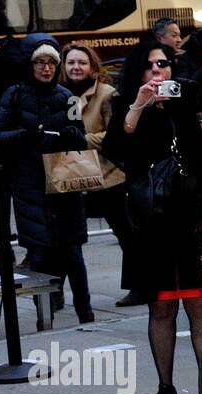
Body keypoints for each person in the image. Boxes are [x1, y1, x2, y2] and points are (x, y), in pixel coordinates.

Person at [100, 39, 202, 394]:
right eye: (152, 65)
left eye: (165, 64)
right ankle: (165, 388)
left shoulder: (187, 97)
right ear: (139, 71)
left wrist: (201, 105)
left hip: (191, 216)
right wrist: (139, 105)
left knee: (201, 305)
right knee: (162, 306)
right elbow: (115, 148)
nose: (159, 72)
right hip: (152, 221)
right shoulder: (126, 104)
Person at [0, 42, 93, 323]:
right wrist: (24, 136)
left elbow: (82, 138)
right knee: (39, 253)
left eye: (51, 62)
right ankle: (43, 316)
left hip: (64, 182)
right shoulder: (15, 94)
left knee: (73, 252)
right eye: (40, 62)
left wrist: (72, 133)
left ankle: (86, 313)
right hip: (29, 183)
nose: (46, 68)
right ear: (30, 65)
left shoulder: (66, 95)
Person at [62, 42, 141, 308]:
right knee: (66, 236)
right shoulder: (59, 94)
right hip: (71, 175)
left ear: (93, 66)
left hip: (108, 174)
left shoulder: (107, 94)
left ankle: (138, 286)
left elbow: (116, 132)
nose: (76, 67)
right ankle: (56, 293)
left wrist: (82, 139)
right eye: (71, 62)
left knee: (125, 232)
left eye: (81, 63)